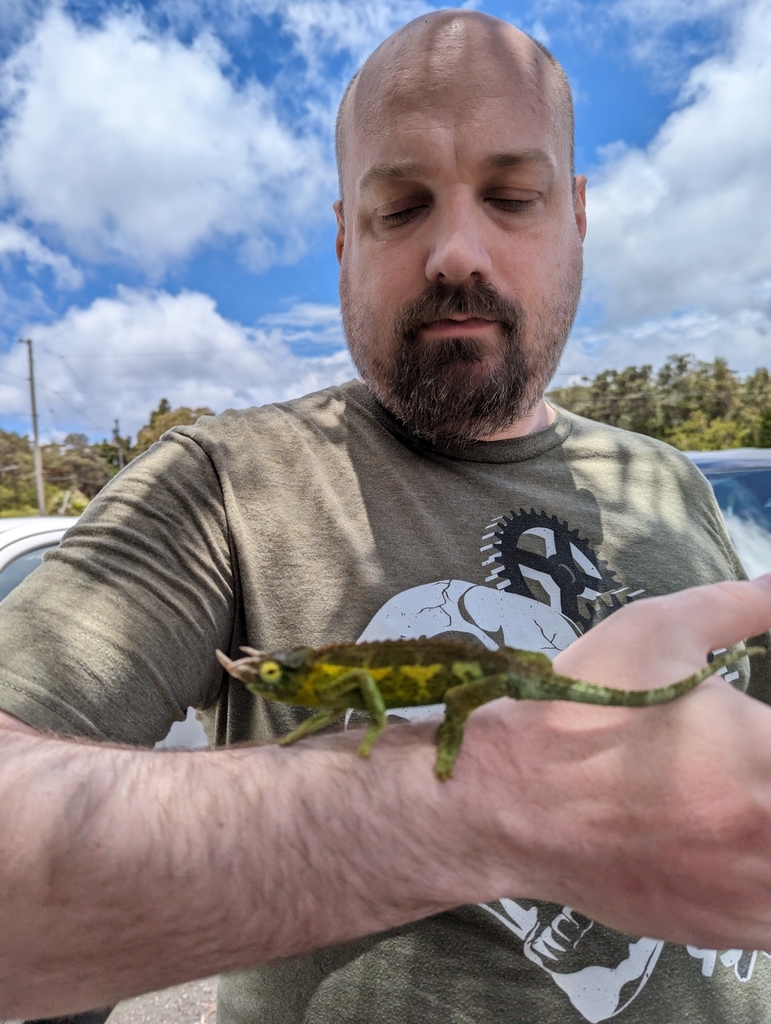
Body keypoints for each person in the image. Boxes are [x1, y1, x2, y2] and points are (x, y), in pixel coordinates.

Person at [1, 9, 770, 1024]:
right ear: (340, 238)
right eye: (400, 207)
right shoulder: (225, 484)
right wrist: (495, 803)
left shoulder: (670, 478)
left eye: (511, 196)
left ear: (576, 214)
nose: (458, 251)